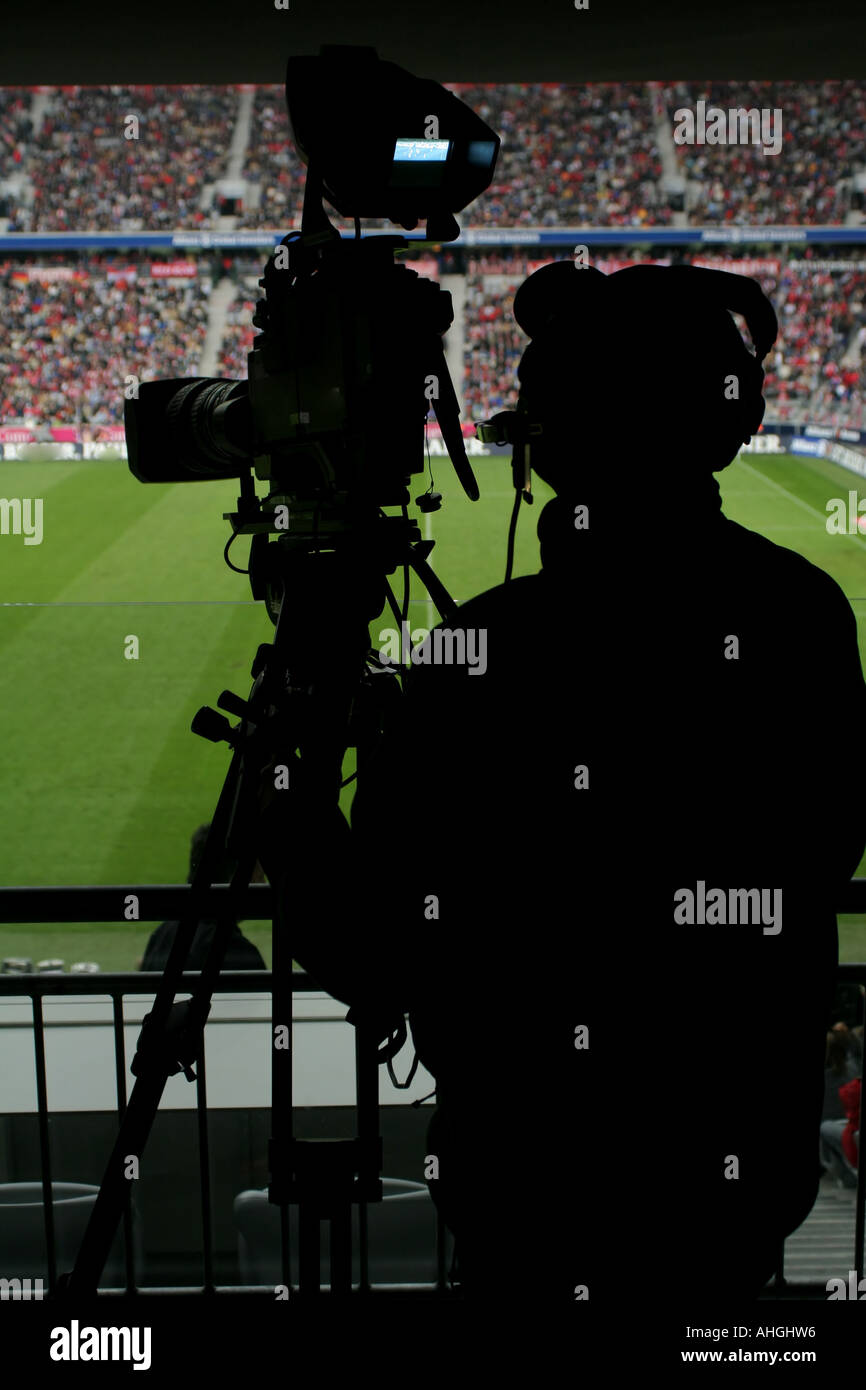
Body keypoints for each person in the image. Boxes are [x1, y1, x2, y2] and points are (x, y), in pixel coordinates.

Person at [259, 261, 866, 1312]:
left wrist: (289, 789)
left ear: (552, 450)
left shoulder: (479, 655)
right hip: (730, 1181)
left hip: (526, 1184)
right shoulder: (803, 616)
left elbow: (367, 950)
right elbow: (818, 853)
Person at [138, 823, 266, 972]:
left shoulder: (161, 937)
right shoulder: (240, 955)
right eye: (259, 875)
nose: (262, 884)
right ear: (235, 879)